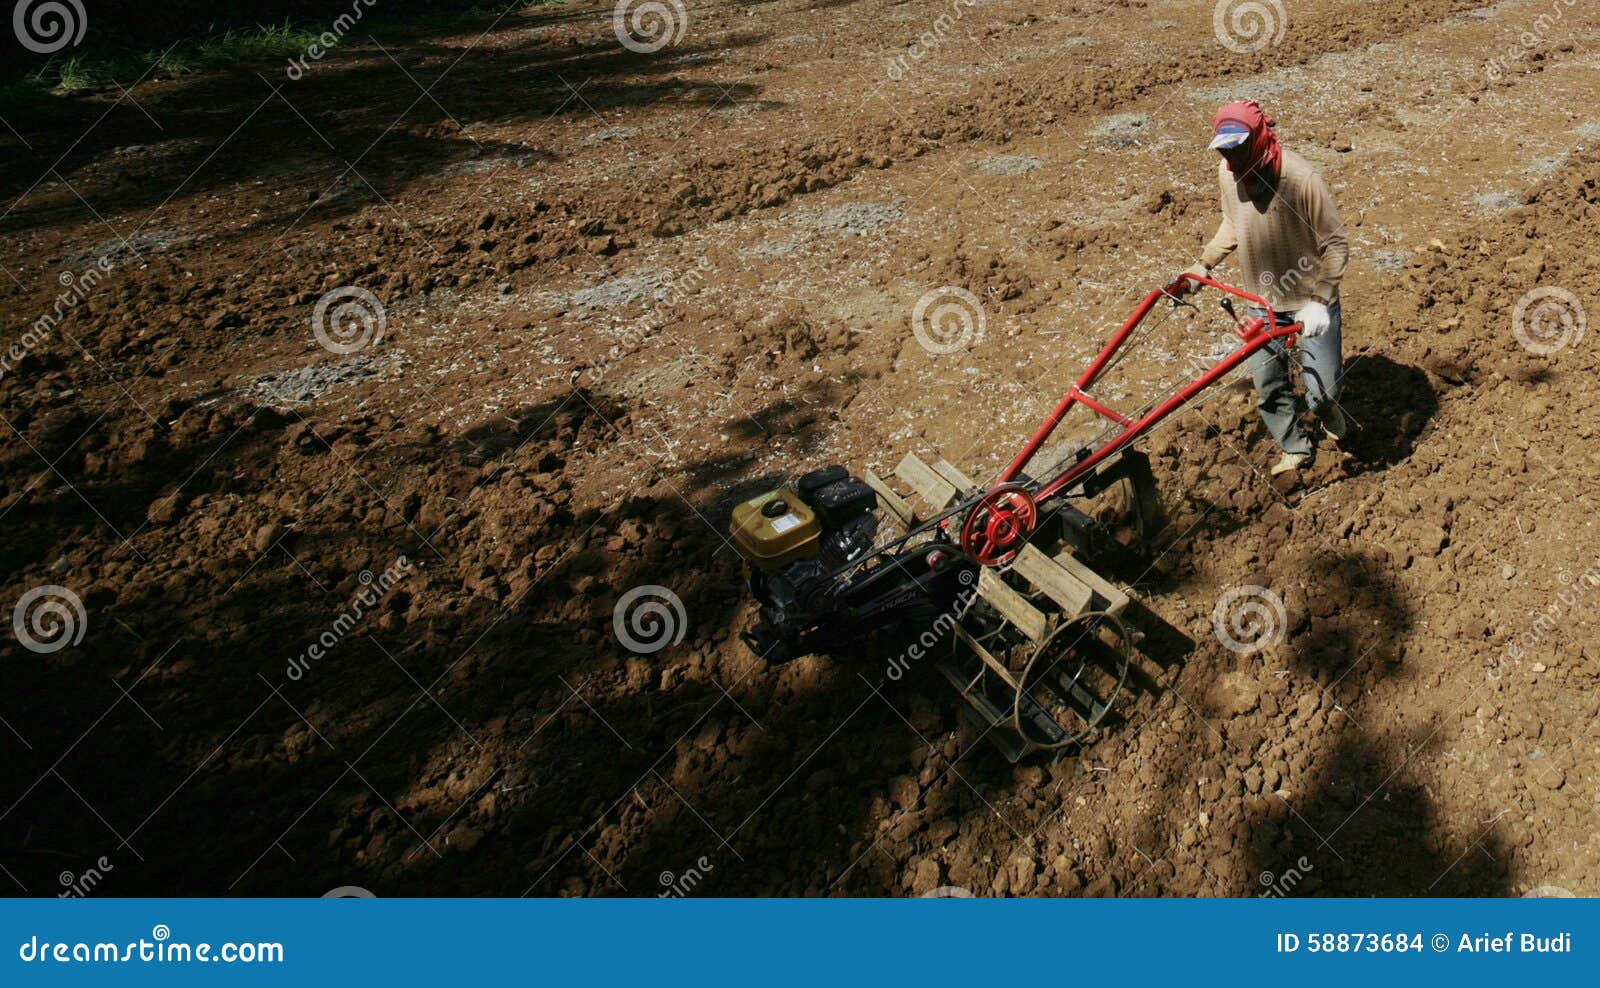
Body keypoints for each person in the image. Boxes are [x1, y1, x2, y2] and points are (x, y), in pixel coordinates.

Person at [1177, 99, 1350, 475]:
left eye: (1237, 147)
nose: (1230, 156)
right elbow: (1232, 222)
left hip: (1309, 300)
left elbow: (1336, 244)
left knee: (1322, 393)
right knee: (1268, 383)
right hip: (1262, 302)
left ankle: (1330, 413)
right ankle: (1296, 448)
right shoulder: (1228, 173)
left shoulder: (1301, 178)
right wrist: (1203, 264)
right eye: (1224, 148)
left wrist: (1321, 300)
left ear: (1257, 139)